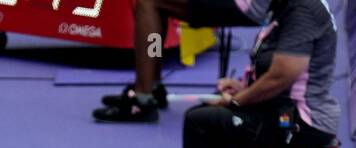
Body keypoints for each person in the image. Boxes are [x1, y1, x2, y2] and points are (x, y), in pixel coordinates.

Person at [159, 0, 340, 148]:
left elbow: (282, 76)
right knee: (207, 117)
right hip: (286, 110)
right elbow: (276, 72)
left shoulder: (303, 11)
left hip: (299, 121)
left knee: (200, 121)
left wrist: (237, 101)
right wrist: (242, 87)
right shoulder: (287, 8)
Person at [93, 0, 273, 123]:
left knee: (149, 2)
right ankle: (151, 87)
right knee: (156, 5)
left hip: (249, 5)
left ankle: (142, 99)